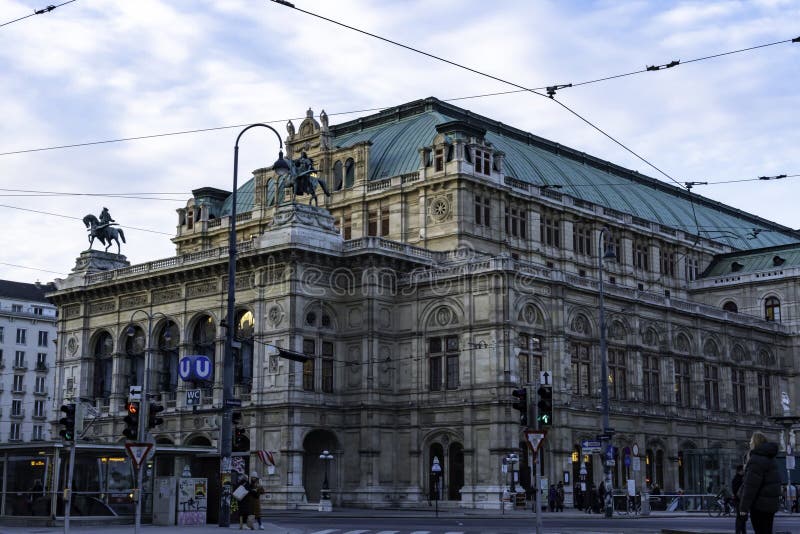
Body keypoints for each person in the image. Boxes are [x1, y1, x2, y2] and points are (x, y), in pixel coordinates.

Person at [739, 431, 781, 534]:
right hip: (770, 506)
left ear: (755, 442)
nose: (749, 443)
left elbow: (750, 487)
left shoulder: (756, 460)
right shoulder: (771, 459)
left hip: (759, 506)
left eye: (751, 441)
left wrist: (743, 509)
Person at [732, 464, 747, 534]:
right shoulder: (740, 479)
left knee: (741, 517)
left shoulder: (736, 479)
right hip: (740, 502)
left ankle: (741, 531)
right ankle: (740, 531)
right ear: (740, 471)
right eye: (743, 470)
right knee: (741, 517)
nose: (744, 471)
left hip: (738, 502)